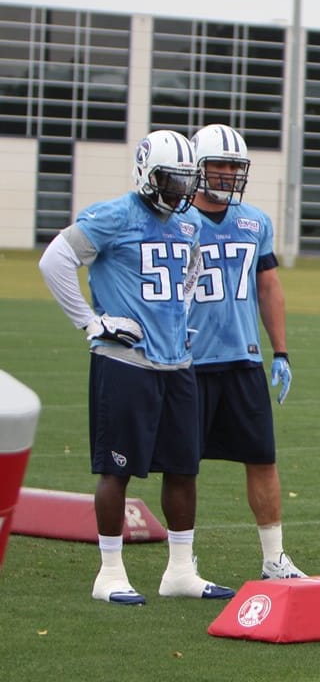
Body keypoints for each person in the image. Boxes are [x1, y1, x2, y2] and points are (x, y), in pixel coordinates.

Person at [37, 130, 235, 605]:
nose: (182, 189)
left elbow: (189, 271)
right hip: (124, 361)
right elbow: (56, 259)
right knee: (116, 470)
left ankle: (181, 572)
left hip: (176, 363)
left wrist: (182, 317)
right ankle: (109, 573)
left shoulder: (187, 223)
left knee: (184, 469)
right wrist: (90, 321)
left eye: (187, 179)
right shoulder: (114, 215)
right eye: (173, 178)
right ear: (148, 174)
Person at [186, 123, 304, 580]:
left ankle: (274, 557)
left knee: (262, 458)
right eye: (221, 164)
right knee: (182, 466)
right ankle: (182, 561)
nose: (230, 173)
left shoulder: (255, 221)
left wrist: (280, 352)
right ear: (198, 168)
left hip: (242, 358)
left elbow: (269, 284)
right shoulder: (177, 220)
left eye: (236, 165)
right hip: (189, 360)